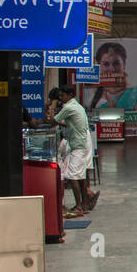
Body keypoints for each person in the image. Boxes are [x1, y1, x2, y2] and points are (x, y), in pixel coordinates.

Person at [48, 85, 98, 217]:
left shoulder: (69, 107)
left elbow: (52, 121)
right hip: (80, 144)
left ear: (69, 95)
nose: (61, 98)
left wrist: (52, 106)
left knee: (73, 176)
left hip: (77, 145)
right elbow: (68, 123)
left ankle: (79, 205)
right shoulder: (76, 106)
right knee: (80, 176)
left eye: (62, 96)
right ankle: (85, 203)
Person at [88, 41, 137, 133]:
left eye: (116, 63)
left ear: (124, 64)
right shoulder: (92, 95)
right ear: (99, 65)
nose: (111, 69)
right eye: (106, 64)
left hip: (130, 146)